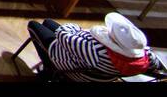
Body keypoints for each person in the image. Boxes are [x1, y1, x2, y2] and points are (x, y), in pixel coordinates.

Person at [32, 12, 162, 82]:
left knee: (34, 25)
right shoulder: (144, 57)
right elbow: (157, 67)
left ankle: (49, 67)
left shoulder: (96, 50)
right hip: (103, 77)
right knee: (47, 22)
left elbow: (63, 34)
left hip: (72, 69)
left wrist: (78, 29)